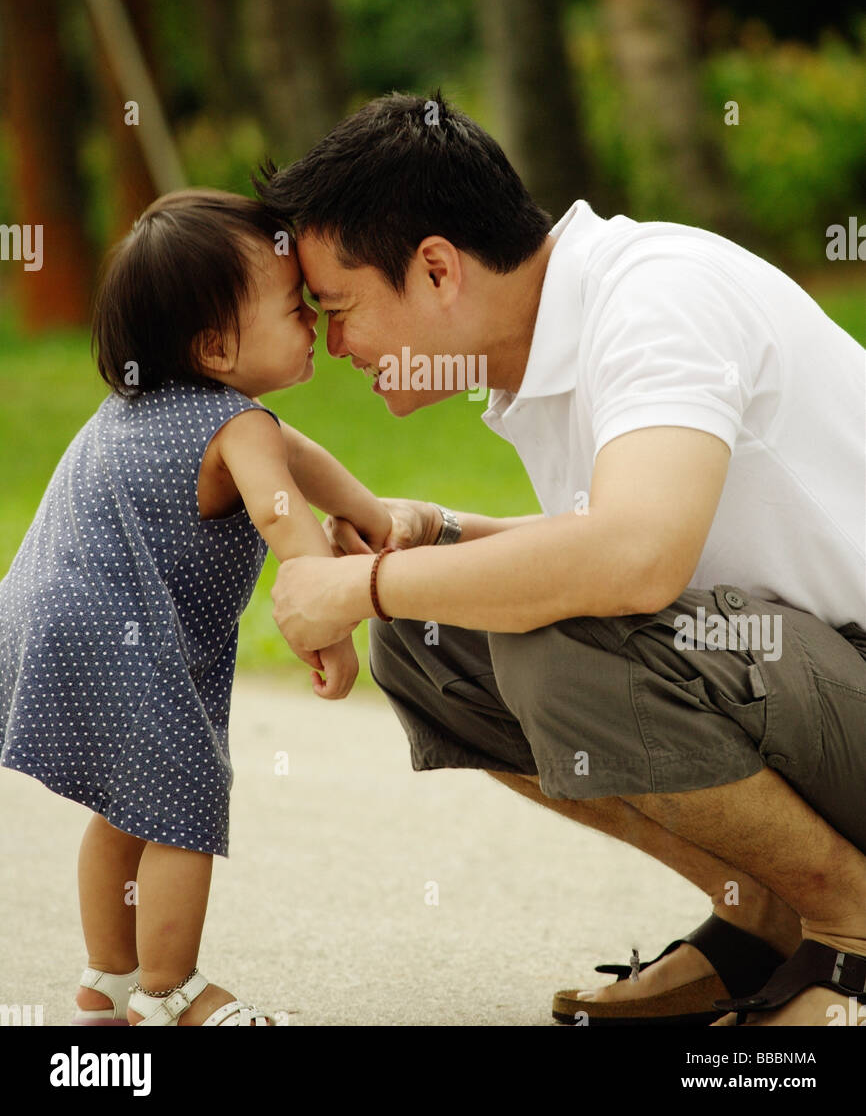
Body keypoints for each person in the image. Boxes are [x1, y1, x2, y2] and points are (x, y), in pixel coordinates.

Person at [257, 91, 866, 1028]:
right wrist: (435, 535)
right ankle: (766, 918)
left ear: (435, 269)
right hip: (816, 675)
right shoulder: (545, 341)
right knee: (425, 631)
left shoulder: (657, 298)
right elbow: (625, 550)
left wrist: (361, 580)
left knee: (557, 644)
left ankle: (854, 926)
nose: (337, 346)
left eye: (340, 308)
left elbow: (635, 562)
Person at [0, 189, 391, 1028]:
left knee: (126, 804)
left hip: (45, 616)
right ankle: (170, 989)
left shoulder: (142, 409)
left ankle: (108, 979)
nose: (314, 320)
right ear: (217, 346)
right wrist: (334, 620)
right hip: (120, 632)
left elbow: (292, 453)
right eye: (294, 308)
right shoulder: (236, 425)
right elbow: (281, 511)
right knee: (184, 800)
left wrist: (368, 507)